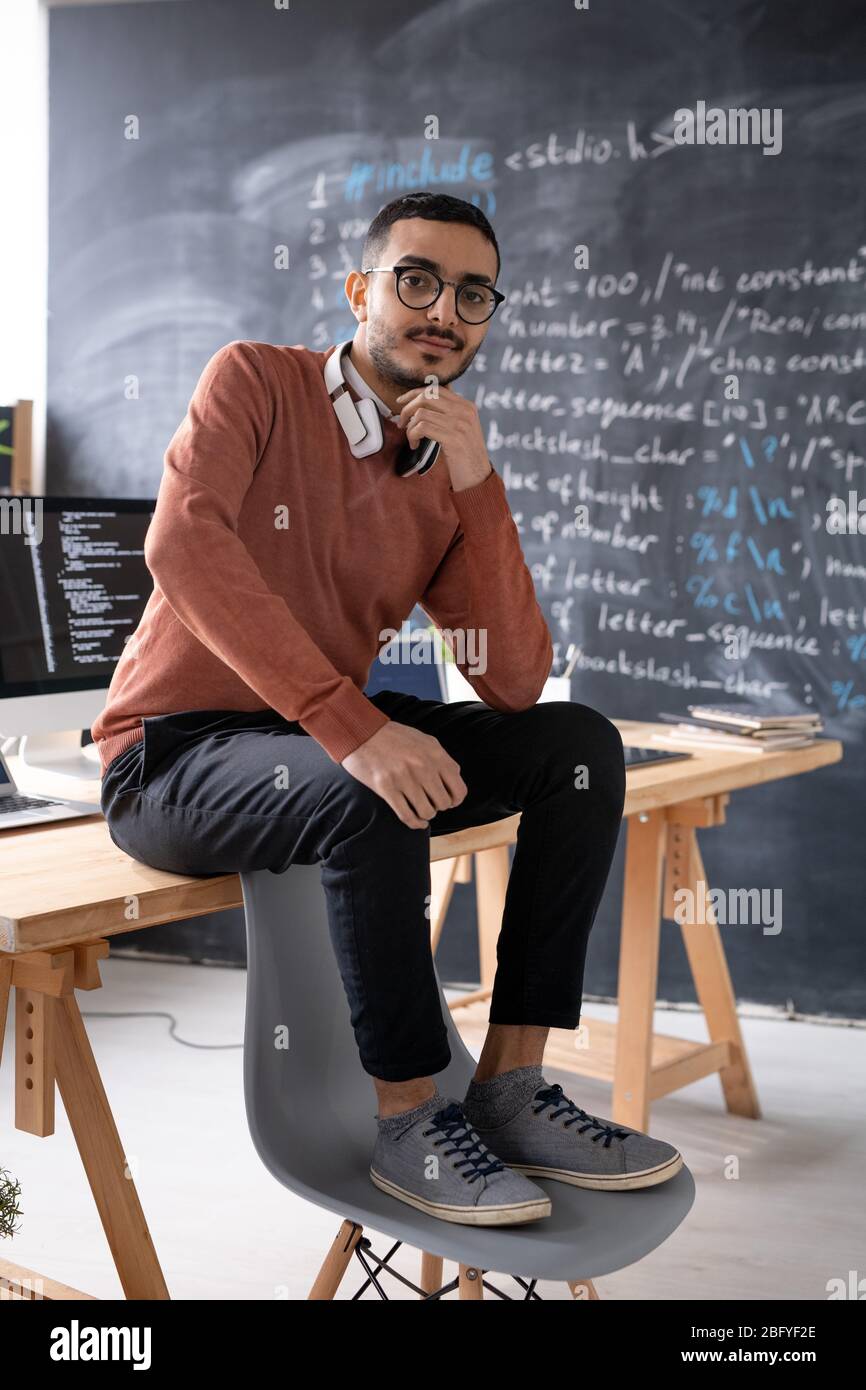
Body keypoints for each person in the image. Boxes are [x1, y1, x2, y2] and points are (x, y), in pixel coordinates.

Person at [92, 190, 682, 1228]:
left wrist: (476, 482)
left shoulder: (437, 466)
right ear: (361, 290)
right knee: (366, 788)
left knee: (577, 747)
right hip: (172, 757)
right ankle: (410, 1117)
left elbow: (510, 679)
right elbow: (182, 545)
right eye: (415, 280)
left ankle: (507, 1086)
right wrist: (350, 723)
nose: (441, 310)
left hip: (308, 750)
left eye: (471, 294)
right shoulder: (256, 380)